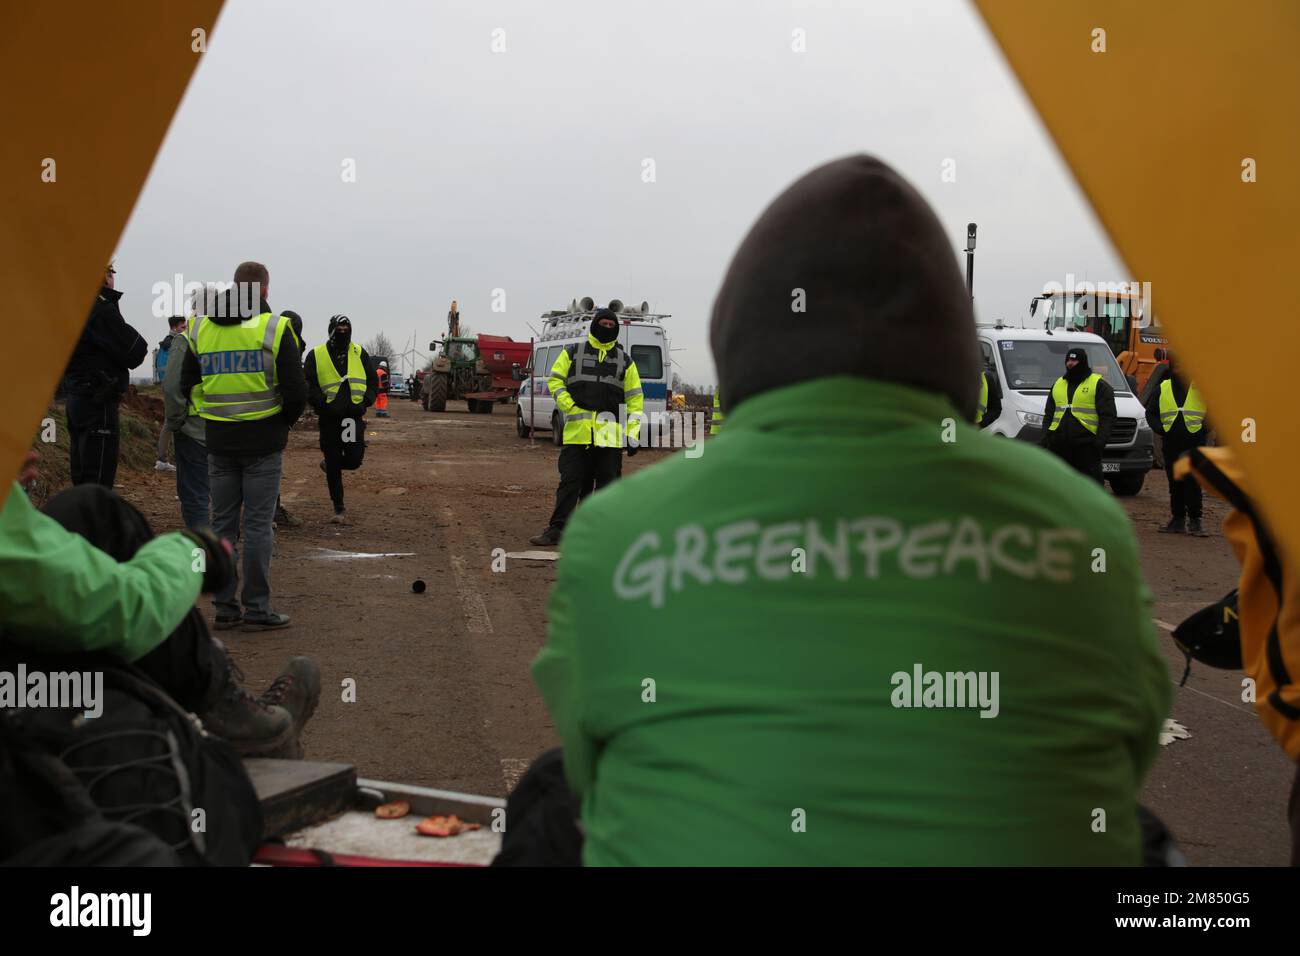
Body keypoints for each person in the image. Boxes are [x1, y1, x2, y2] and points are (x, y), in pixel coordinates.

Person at [528, 156, 1168, 865]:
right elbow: (1134, 743)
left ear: (739, 334)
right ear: (954, 345)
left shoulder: (616, 536)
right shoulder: (1084, 528)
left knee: (551, 794)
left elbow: (593, 768)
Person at [180, 261, 305, 631]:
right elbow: (297, 390)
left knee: (222, 525)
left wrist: (212, 415)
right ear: (264, 290)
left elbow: (188, 383)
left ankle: (224, 608)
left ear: (233, 287)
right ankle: (257, 610)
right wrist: (281, 423)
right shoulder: (274, 327)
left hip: (218, 442)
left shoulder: (201, 328)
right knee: (257, 526)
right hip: (264, 443)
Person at [528, 308, 644, 547]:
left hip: (610, 438)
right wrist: (568, 406)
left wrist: (632, 434)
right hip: (577, 436)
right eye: (603, 323)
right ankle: (557, 530)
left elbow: (635, 400)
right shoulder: (573, 353)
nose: (607, 328)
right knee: (571, 483)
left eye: (612, 325)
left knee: (607, 488)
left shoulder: (626, 361)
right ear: (593, 325)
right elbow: (555, 380)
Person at [61, 261, 148, 487]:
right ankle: (91, 521)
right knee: (97, 478)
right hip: (97, 401)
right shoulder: (99, 309)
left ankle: (80, 519)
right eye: (109, 271)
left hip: (76, 398)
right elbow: (135, 350)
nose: (112, 277)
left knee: (81, 472)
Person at [304, 315, 377, 525]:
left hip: (352, 418)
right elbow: (309, 383)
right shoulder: (316, 355)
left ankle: (328, 465)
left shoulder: (359, 352)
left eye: (347, 327)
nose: (343, 331)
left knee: (354, 460)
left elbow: (372, 381)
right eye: (340, 328)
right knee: (335, 461)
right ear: (331, 330)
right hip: (329, 419)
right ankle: (339, 507)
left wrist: (365, 402)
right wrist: (321, 404)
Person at [1145, 354, 1209, 536]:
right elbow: (1150, 413)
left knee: (1193, 481)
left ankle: (1195, 521)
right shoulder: (1162, 388)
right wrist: (1161, 429)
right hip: (1171, 443)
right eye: (1176, 364)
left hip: (1194, 442)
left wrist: (1203, 429)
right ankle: (1178, 519)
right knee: (1175, 482)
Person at [161, 309, 209, 530]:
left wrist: (175, 421)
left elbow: (172, 386)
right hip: (230, 427)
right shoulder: (231, 339)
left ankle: (203, 555)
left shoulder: (186, 339)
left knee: (195, 496)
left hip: (194, 428)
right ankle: (226, 552)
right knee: (225, 498)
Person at [1040, 346, 1116, 483]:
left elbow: (1108, 417)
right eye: (1068, 360)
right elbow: (1049, 414)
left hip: (1086, 447)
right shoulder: (1057, 384)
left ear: (1083, 362)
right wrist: (1046, 437)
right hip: (1059, 446)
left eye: (1074, 360)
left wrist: (1099, 444)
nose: (1070, 363)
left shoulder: (1099, 385)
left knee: (1090, 487)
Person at [273, 310, 306, 530]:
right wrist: (288, 418)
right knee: (268, 468)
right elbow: (294, 386)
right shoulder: (287, 340)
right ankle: (271, 512)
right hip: (271, 413)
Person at [152, 316, 186, 473]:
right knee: (172, 422)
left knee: (169, 422)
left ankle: (163, 459)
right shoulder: (175, 344)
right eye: (182, 327)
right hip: (176, 387)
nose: (185, 330)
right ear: (174, 327)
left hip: (168, 387)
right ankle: (164, 459)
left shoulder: (164, 345)